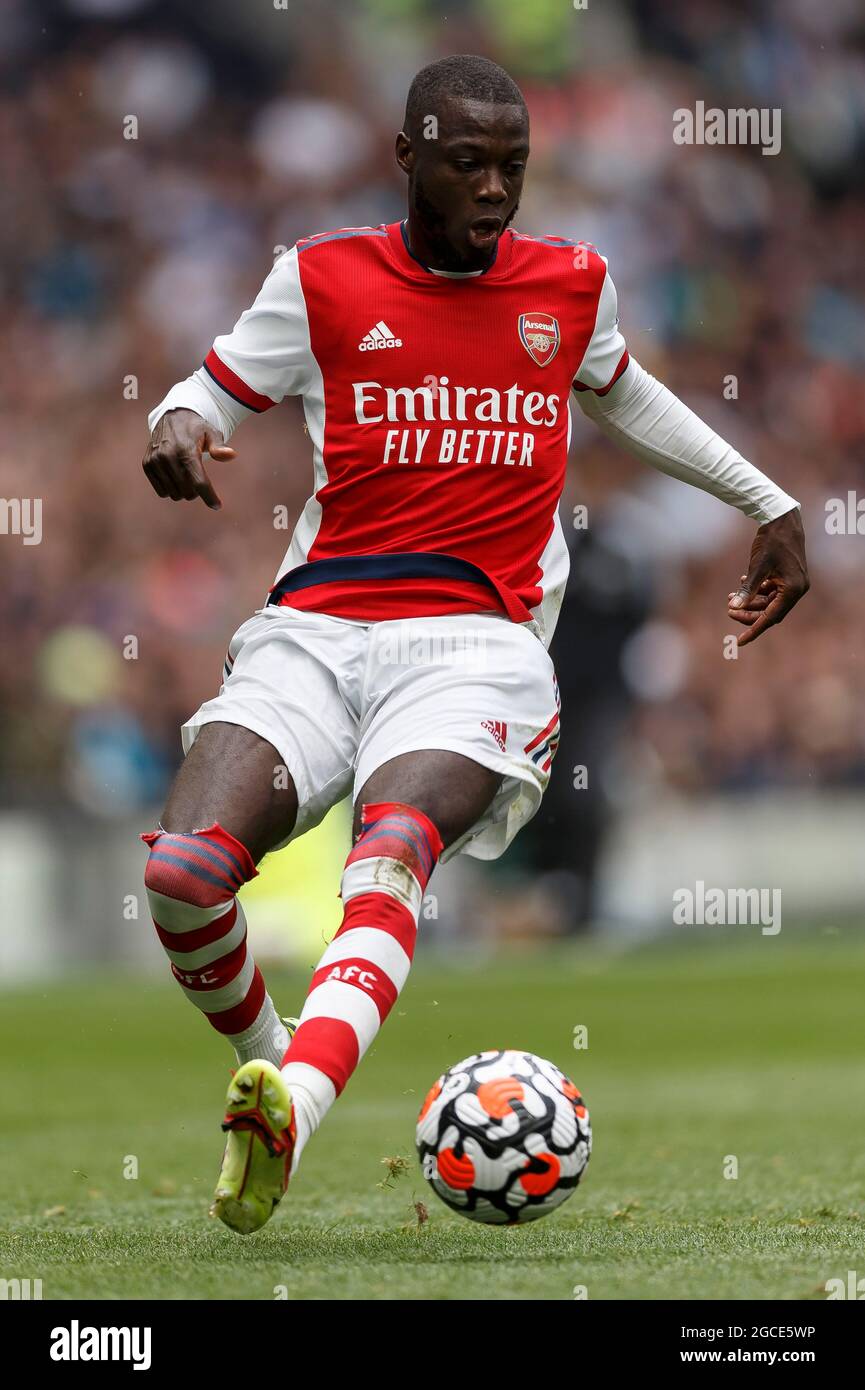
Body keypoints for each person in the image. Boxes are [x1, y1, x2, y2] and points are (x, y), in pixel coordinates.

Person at [141, 54, 809, 1234]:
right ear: (408, 159)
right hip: (313, 631)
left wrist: (769, 504)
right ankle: (277, 1059)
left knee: (390, 848)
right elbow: (201, 392)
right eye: (468, 164)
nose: (495, 190)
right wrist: (178, 428)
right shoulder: (323, 278)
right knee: (184, 875)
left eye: (513, 167)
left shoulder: (570, 287)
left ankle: (291, 1106)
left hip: (474, 646)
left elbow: (633, 396)